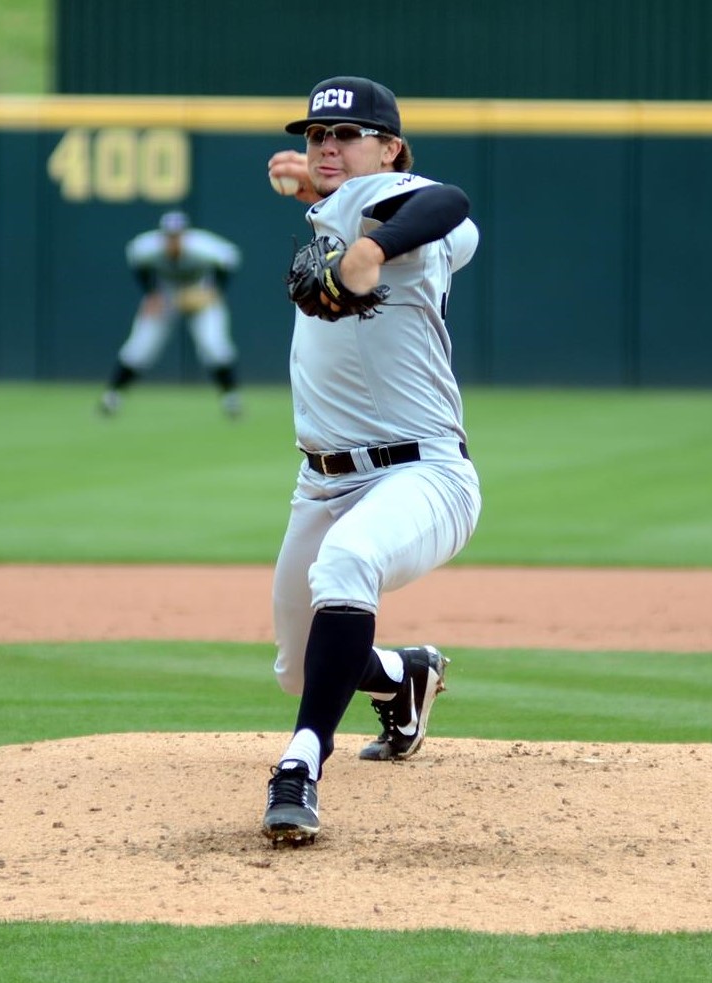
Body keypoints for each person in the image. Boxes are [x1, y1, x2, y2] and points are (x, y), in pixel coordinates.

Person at [260, 76, 482, 844]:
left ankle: (300, 763)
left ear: (390, 149)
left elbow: (446, 201)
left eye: (348, 134)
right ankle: (400, 676)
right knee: (300, 666)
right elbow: (354, 204)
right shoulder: (340, 207)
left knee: (348, 564)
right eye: (318, 135)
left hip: (423, 474)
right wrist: (311, 198)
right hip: (320, 482)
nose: (327, 145)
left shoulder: (401, 209)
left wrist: (367, 248)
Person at [98, 210, 243, 418]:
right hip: (167, 294)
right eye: (169, 236)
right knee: (140, 346)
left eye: (177, 235)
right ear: (162, 236)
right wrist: (151, 293)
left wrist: (214, 291)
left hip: (198, 293)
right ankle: (112, 398)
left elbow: (230, 257)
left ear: (185, 234)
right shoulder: (147, 247)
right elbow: (135, 260)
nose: (173, 240)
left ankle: (231, 399)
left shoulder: (202, 246)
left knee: (214, 345)